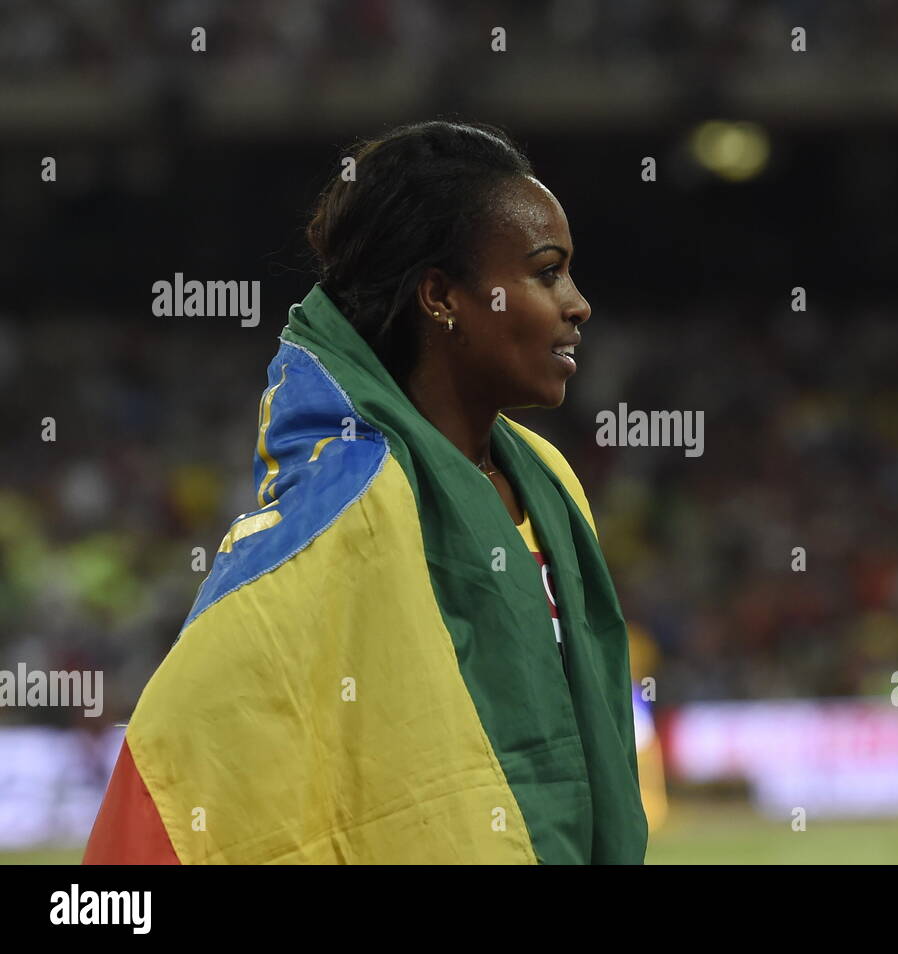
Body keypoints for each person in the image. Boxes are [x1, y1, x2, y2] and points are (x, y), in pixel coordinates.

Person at [83, 120, 648, 864]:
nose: (577, 304)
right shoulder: (353, 500)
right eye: (546, 273)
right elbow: (190, 741)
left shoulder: (549, 481)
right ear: (441, 297)